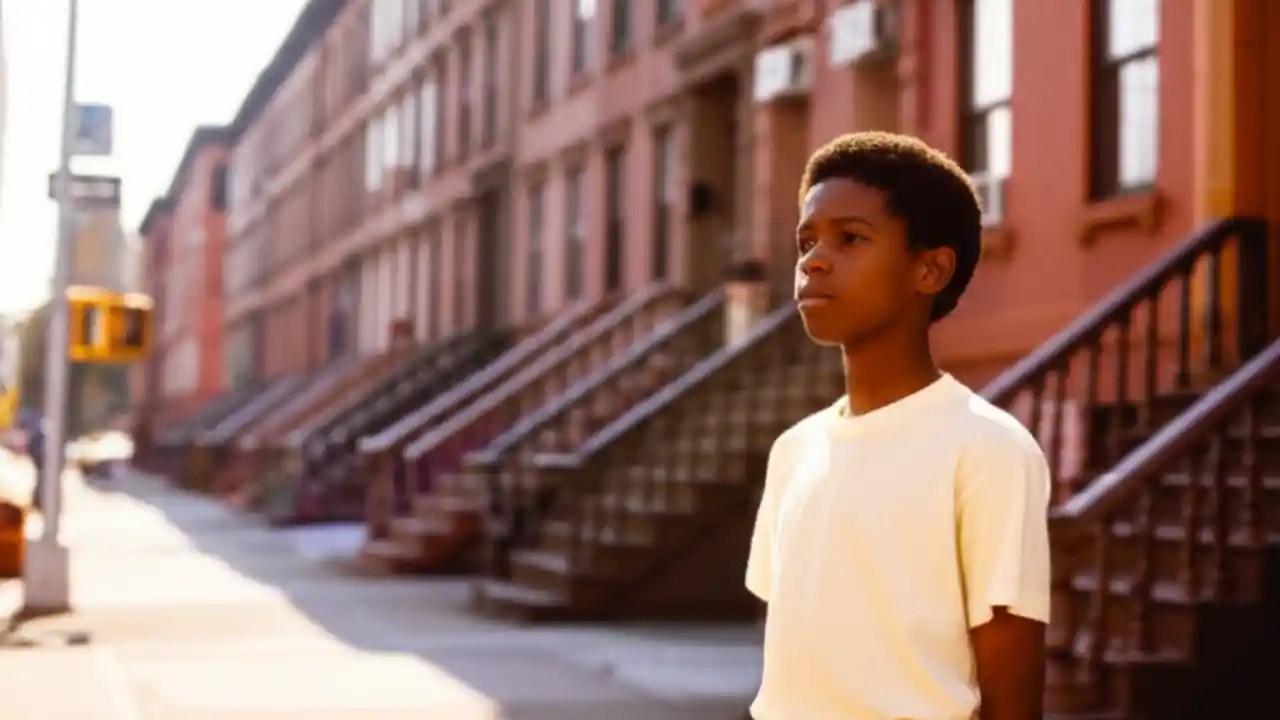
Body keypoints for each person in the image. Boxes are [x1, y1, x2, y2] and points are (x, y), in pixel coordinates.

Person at [745, 132, 1050, 720]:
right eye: (806, 241)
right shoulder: (794, 451)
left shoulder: (986, 450)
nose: (813, 260)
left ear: (930, 270)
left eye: (851, 238)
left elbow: (1013, 692)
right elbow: (789, 668)